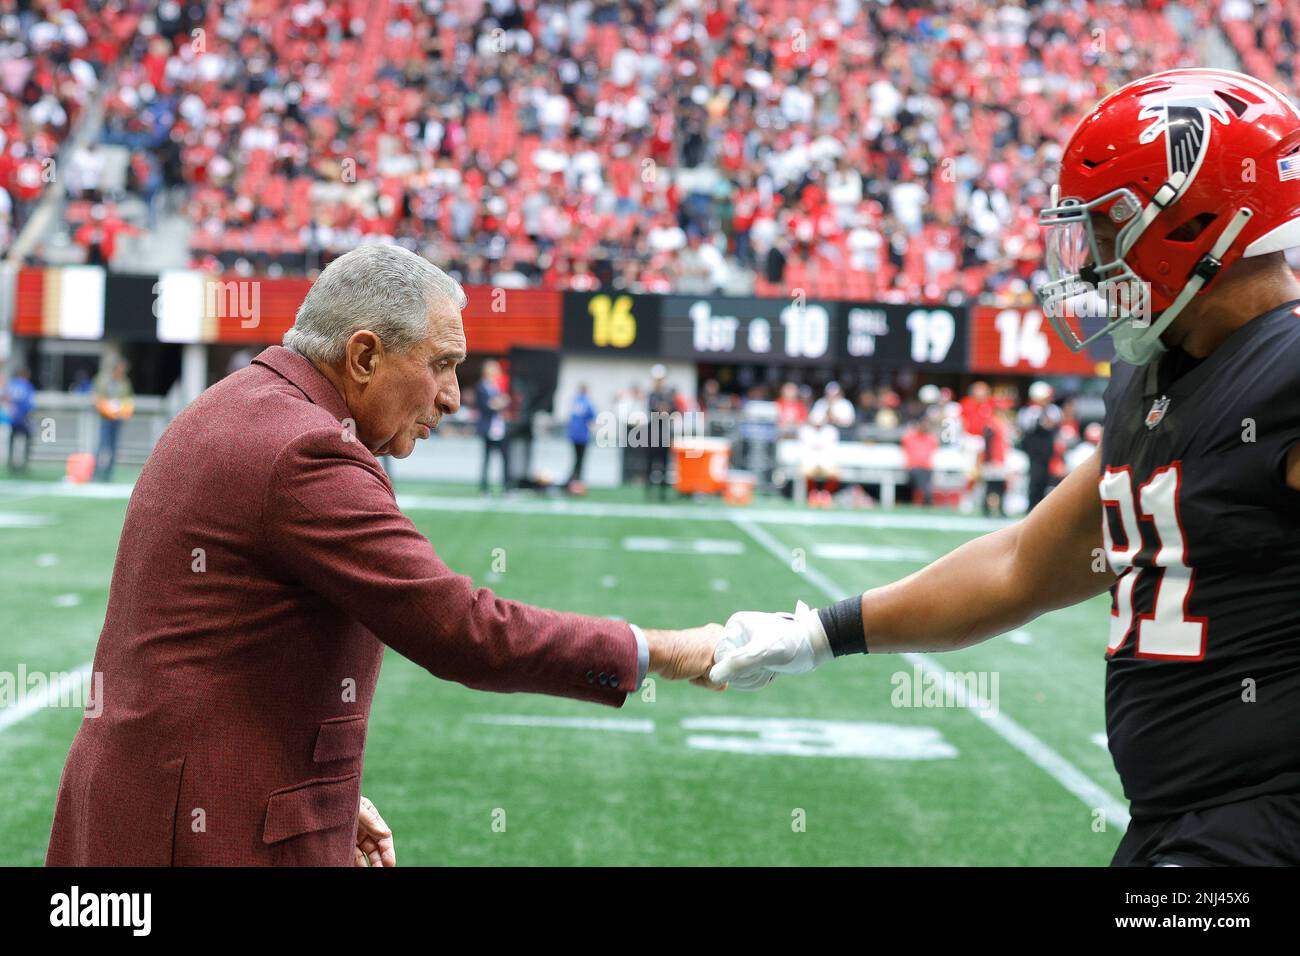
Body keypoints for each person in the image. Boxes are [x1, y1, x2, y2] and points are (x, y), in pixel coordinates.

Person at [708, 70, 1300, 866]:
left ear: (1198, 221)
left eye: (1105, 228)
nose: (1089, 261)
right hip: (1174, 823)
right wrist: (819, 633)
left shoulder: (1287, 376)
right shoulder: (1160, 373)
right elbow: (1023, 566)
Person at [46, 245, 721, 867]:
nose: (453, 397)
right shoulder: (306, 449)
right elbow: (464, 629)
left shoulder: (244, 402)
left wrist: (319, 796)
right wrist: (661, 650)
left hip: (159, 802)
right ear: (363, 356)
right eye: (442, 365)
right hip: (200, 824)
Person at [1017, 381, 1061, 510]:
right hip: (1033, 452)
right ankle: (1031, 506)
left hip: (1047, 451)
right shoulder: (1028, 412)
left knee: (1045, 480)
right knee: (1034, 479)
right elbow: (1025, 427)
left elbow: (1054, 423)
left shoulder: (1053, 410)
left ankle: (1041, 507)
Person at [92, 359, 134, 481]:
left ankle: (108, 475)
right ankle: (96, 473)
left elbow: (128, 399)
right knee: (102, 445)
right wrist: (107, 407)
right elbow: (96, 397)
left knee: (114, 447)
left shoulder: (125, 382)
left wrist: (123, 409)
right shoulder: (104, 380)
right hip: (106, 418)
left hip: (118, 418)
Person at [475, 359, 511, 494]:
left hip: (499, 428)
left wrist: (499, 403)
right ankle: (485, 487)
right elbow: (486, 406)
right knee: (487, 458)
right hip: (488, 428)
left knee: (505, 458)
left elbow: (501, 402)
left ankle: (506, 486)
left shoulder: (496, 386)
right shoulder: (481, 386)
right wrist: (498, 403)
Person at [645, 364, 676, 500]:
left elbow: (670, 411)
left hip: (664, 433)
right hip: (653, 433)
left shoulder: (668, 395)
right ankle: (649, 492)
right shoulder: (652, 395)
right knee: (650, 464)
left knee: (664, 464)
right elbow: (658, 410)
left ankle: (662, 494)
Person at [566, 383, 596, 490]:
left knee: (575, 459)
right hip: (582, 434)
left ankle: (572, 480)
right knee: (580, 460)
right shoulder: (587, 402)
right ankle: (577, 482)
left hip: (573, 434)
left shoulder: (574, 401)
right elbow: (593, 415)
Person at [6, 366, 34, 473]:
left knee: (12, 438)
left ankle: (11, 461)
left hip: (13, 416)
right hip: (23, 416)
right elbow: (30, 403)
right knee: (28, 437)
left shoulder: (11, 384)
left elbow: (5, 397)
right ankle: (24, 463)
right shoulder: (27, 385)